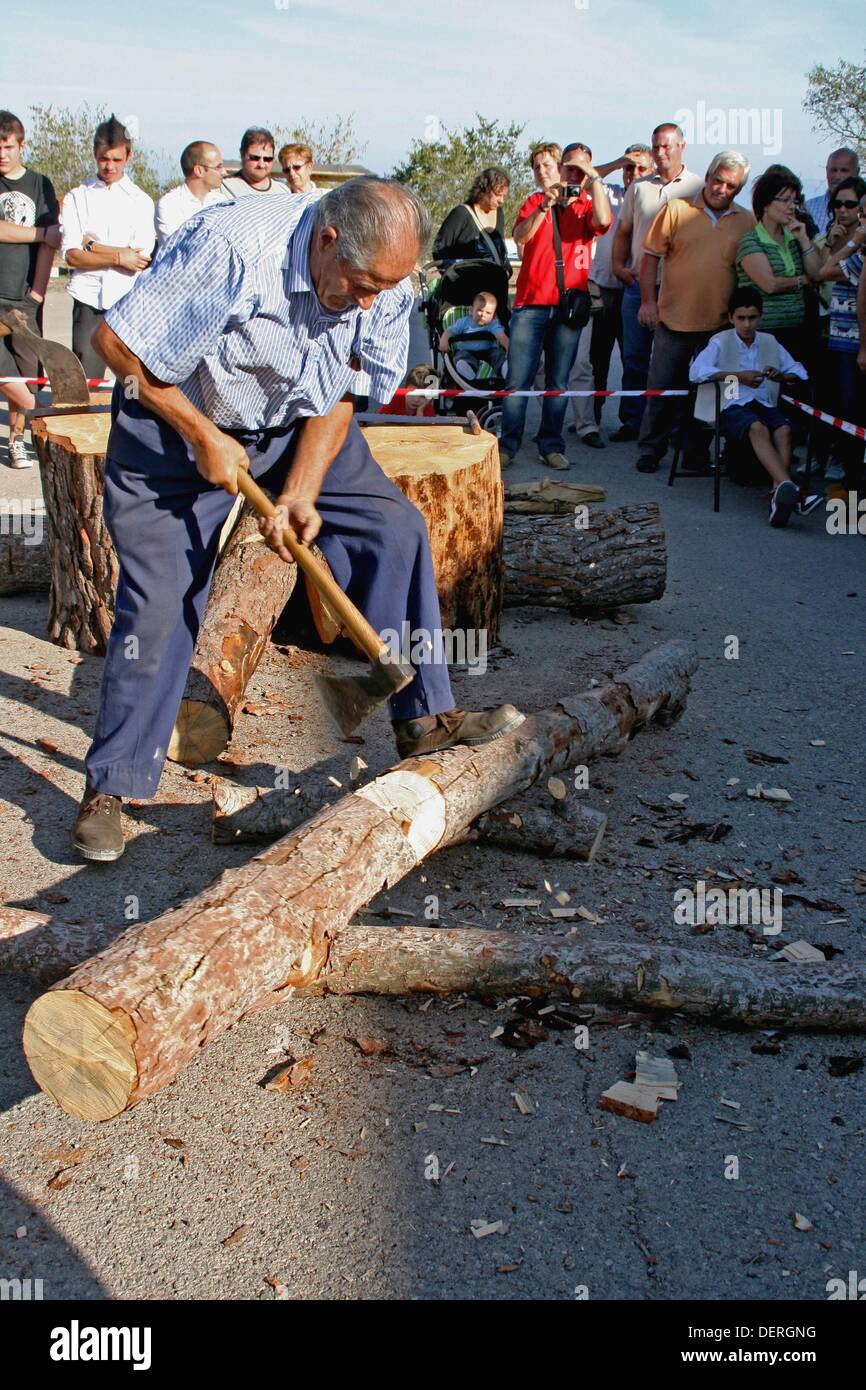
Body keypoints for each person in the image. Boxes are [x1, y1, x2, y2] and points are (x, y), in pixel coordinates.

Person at [70, 179, 523, 862]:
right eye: (363, 284)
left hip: (291, 419)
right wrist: (201, 435)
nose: (373, 301)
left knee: (393, 529)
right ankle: (112, 787)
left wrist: (302, 491)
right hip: (172, 419)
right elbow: (118, 345)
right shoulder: (232, 247)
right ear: (327, 239)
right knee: (160, 603)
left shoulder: (387, 282)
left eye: (385, 288)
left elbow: (343, 392)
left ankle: (424, 718)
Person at [634, 151, 755, 473]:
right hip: (674, 319)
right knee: (662, 389)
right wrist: (648, 301)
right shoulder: (676, 209)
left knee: (708, 395)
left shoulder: (746, 221)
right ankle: (651, 449)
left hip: (718, 324)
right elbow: (649, 259)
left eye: (731, 186)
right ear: (709, 175)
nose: (721, 189)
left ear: (738, 190)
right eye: (717, 180)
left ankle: (696, 452)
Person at [498, 142, 611, 470]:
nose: (544, 172)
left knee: (558, 383)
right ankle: (508, 445)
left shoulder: (586, 204)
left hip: (567, 307)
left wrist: (593, 177)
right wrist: (544, 206)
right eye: (538, 168)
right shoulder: (534, 200)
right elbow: (521, 236)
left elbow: (603, 222)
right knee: (518, 380)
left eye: (549, 166)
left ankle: (551, 445)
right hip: (530, 304)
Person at [690, 288, 818, 526]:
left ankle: (779, 491)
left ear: (760, 317)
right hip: (730, 400)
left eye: (752, 318)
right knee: (757, 427)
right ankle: (791, 490)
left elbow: (798, 370)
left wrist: (781, 376)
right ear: (731, 318)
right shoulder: (721, 341)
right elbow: (696, 371)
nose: (747, 324)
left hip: (761, 400)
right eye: (741, 318)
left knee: (784, 429)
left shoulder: (769, 341)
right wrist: (737, 376)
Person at [610, 124, 703, 441]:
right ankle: (632, 421)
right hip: (638, 286)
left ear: (682, 146)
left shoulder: (698, 187)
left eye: (667, 146)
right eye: (656, 147)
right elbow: (623, 232)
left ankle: (671, 426)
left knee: (672, 362)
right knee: (634, 358)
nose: (661, 153)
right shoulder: (638, 187)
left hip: (679, 289)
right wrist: (619, 267)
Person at [568, 143, 654, 449]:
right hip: (600, 286)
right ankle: (590, 419)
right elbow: (581, 179)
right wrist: (618, 163)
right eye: (631, 168)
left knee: (634, 358)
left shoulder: (654, 196)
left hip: (635, 287)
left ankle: (633, 420)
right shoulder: (612, 192)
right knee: (596, 359)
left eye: (642, 168)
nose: (635, 174)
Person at [61, 115, 155, 379]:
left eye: (116, 159)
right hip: (87, 300)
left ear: (128, 157)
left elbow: (138, 258)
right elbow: (72, 256)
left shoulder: (141, 201)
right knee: (85, 380)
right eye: (104, 158)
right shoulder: (77, 198)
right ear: (95, 154)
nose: (109, 166)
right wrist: (117, 256)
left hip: (126, 301)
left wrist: (91, 245)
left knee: (132, 382)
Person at [0, 109, 60, 469]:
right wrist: (39, 233)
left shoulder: (40, 185)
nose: (1, 154)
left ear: (21, 146)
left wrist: (36, 294)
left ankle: (17, 439)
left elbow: (51, 243)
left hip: (24, 295)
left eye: (7, 146)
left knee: (25, 370)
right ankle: (40, 415)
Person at [735, 166, 823, 372]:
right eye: (784, 200)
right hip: (766, 333)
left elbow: (818, 273)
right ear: (766, 203)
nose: (791, 207)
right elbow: (770, 284)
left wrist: (803, 239)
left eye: (795, 201)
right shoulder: (751, 241)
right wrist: (803, 280)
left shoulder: (794, 237)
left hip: (799, 330)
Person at [813, 182, 866, 482]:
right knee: (843, 408)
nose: (843, 211)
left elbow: (827, 270)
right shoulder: (835, 239)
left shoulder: (860, 249)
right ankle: (845, 468)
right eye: (838, 205)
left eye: (851, 205)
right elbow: (819, 271)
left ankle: (854, 477)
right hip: (839, 335)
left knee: (854, 411)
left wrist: (854, 241)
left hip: (857, 340)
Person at [432, 168, 510, 269]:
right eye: (498, 194)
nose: (501, 200)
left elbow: (500, 250)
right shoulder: (461, 214)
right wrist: (455, 275)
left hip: (495, 282)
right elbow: (439, 250)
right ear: (484, 189)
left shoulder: (499, 213)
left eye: (504, 196)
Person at [155, 142, 228, 245]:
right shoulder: (169, 205)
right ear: (199, 170)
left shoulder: (222, 202)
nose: (224, 172)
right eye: (218, 167)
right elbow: (174, 249)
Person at [439, 289, 508, 379]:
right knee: (460, 356)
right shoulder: (464, 322)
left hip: (488, 351)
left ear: (493, 315)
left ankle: (505, 368)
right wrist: (444, 340)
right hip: (468, 351)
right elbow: (450, 331)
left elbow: (501, 336)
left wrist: (508, 347)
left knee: (498, 354)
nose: (483, 315)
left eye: (488, 313)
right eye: (479, 310)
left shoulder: (493, 323)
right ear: (471, 310)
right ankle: (468, 371)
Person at [805, 148, 861, 235]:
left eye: (844, 170)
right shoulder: (809, 208)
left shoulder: (864, 207)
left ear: (857, 172)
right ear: (826, 171)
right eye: (833, 170)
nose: (837, 176)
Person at [221, 128, 289, 199]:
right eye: (255, 158)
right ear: (242, 154)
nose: (261, 164)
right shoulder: (223, 187)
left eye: (267, 159)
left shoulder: (283, 191)